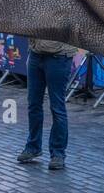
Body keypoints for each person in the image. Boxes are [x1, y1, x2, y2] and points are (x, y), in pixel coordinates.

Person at [17, 38, 78, 170]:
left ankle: (58, 153)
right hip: (35, 54)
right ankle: (33, 147)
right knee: (33, 104)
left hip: (59, 56)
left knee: (57, 107)